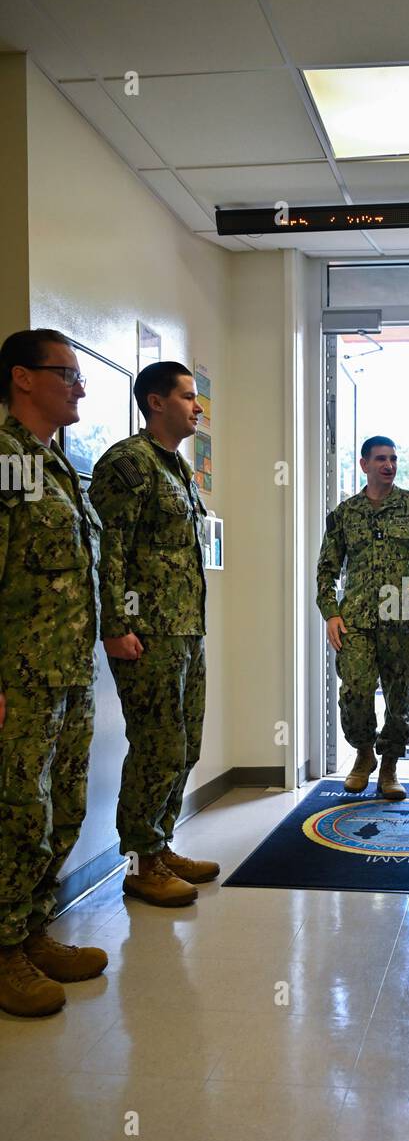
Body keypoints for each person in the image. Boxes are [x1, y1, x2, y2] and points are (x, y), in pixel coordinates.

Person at [0, 328, 107, 1016]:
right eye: (65, 373)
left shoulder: (55, 465)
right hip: (22, 677)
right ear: (22, 379)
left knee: (62, 805)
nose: (80, 385)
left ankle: (33, 929)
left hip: (68, 671)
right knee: (19, 812)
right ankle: (5, 949)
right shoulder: (6, 461)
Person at [88, 361, 216, 908]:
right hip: (147, 635)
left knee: (184, 747)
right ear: (155, 401)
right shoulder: (127, 464)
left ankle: (159, 847)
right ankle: (141, 863)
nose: (198, 407)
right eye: (189, 397)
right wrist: (115, 626)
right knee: (157, 748)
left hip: (185, 630)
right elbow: (107, 550)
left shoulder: (177, 469)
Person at [316, 436, 409, 801]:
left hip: (402, 612)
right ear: (364, 464)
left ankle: (390, 763)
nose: (388, 465)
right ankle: (363, 754)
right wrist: (330, 613)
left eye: (393, 459)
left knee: (398, 696)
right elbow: (325, 570)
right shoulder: (345, 514)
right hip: (356, 616)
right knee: (355, 690)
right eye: (380, 459)